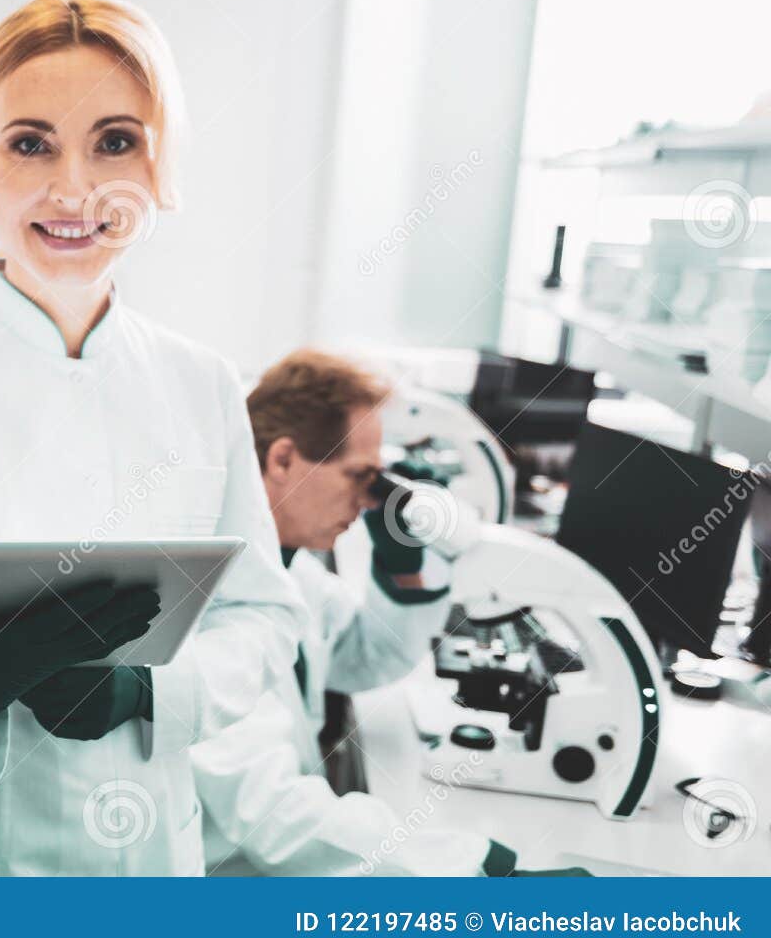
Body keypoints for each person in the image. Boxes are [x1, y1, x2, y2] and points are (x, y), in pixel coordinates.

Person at [0, 0, 305, 876]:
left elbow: (265, 617)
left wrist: (150, 690)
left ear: (161, 166)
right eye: (31, 144)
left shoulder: (202, 384)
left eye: (115, 143)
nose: (74, 190)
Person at [194, 348, 584, 876]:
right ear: (282, 459)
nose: (366, 500)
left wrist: (402, 569)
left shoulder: (291, 570)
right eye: (359, 476)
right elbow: (277, 818)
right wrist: (477, 868)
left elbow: (365, 657)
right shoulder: (212, 596)